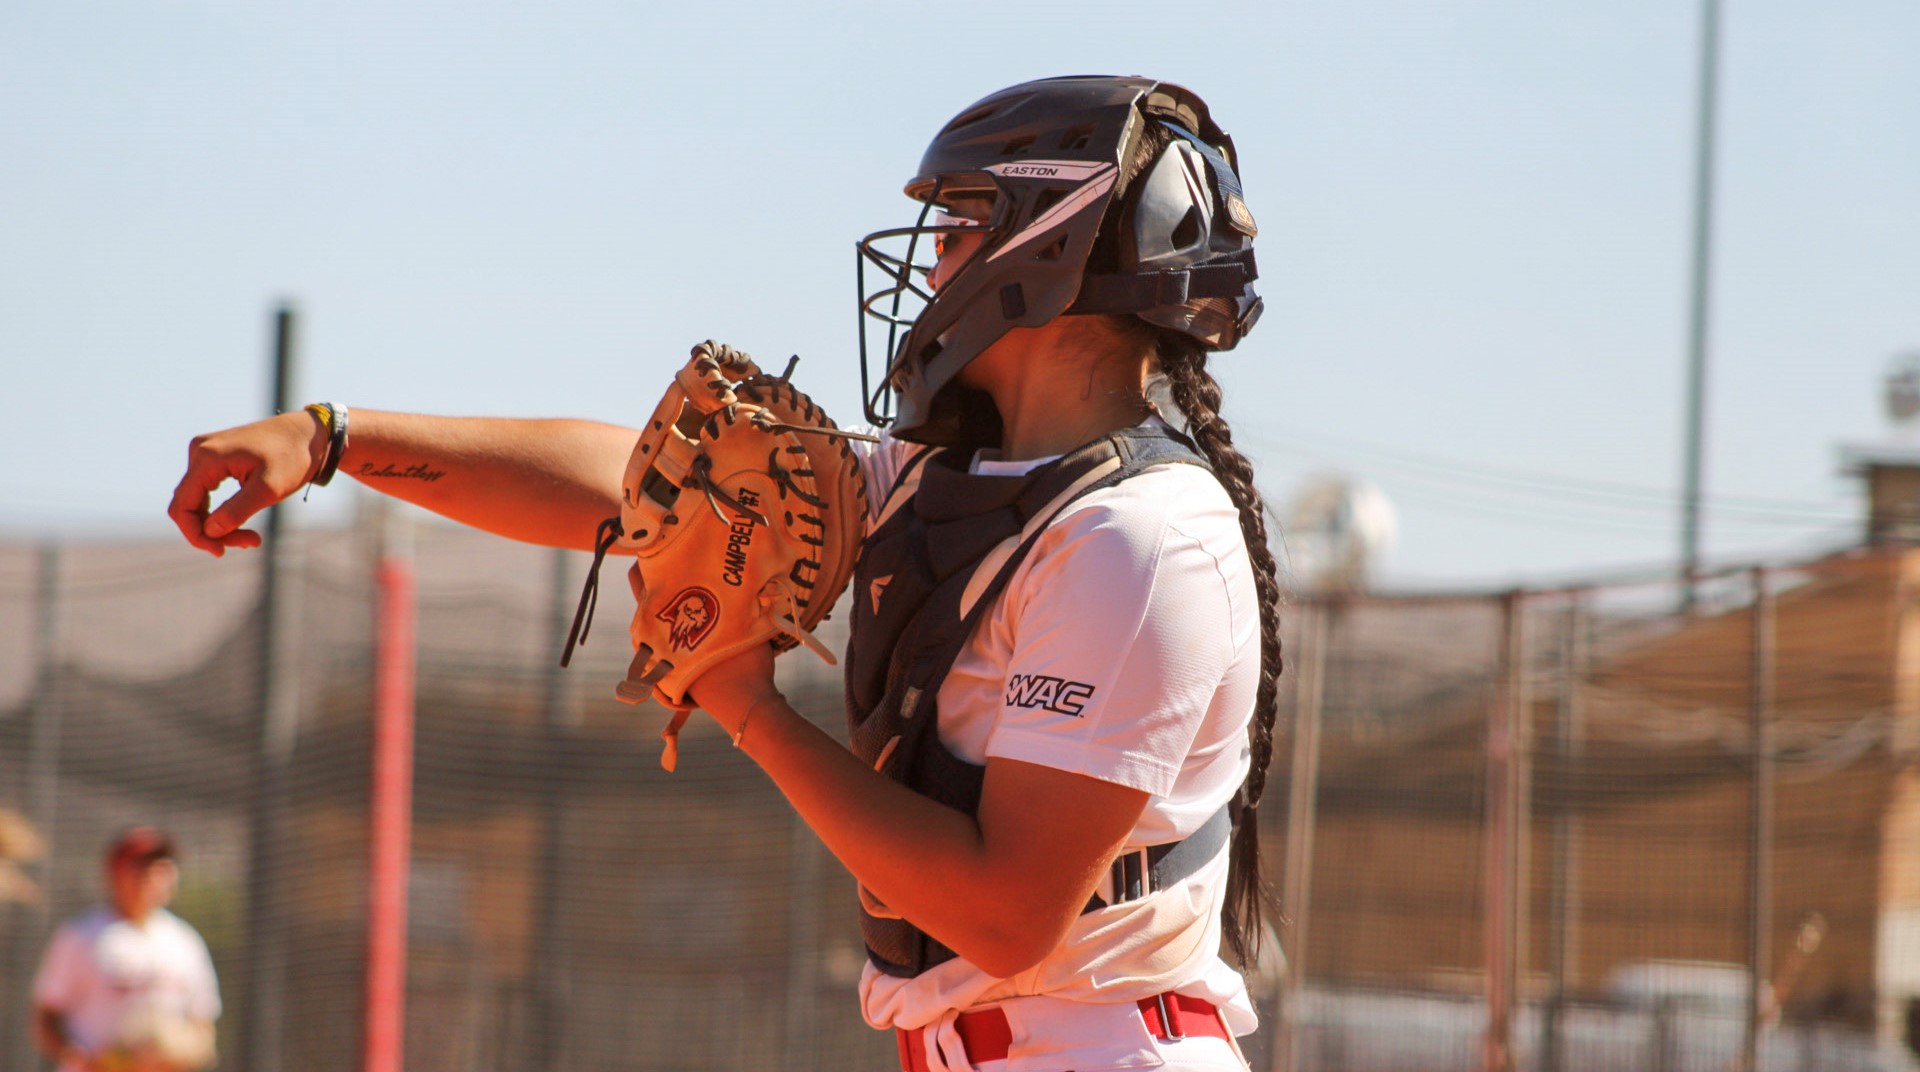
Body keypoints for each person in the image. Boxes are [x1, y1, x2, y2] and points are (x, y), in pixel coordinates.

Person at [169, 74, 1281, 1072]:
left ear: (1051, 243)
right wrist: (335, 438)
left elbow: (1003, 914)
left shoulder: (1140, 541)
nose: (932, 253)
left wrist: (745, 703)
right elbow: (637, 486)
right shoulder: (958, 476)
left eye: (960, 221)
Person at [32, 827, 221, 1072]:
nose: (151, 876)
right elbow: (46, 1020)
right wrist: (80, 1056)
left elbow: (203, 1026)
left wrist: (181, 1052)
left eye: (161, 868)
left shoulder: (185, 941)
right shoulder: (80, 935)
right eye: (140, 866)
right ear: (114, 873)